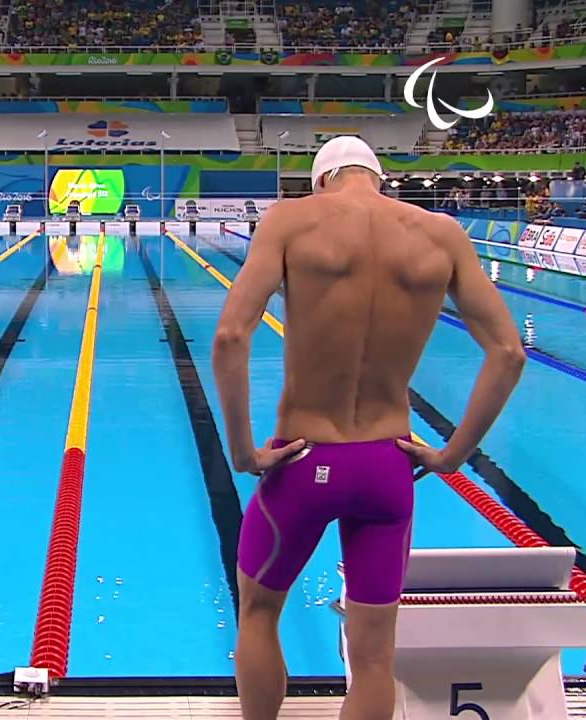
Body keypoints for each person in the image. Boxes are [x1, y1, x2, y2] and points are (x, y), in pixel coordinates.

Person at [213, 136, 525, 720]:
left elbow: (231, 336)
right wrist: (452, 455)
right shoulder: (442, 235)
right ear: (379, 177)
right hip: (386, 463)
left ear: (320, 179)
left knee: (258, 613)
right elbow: (508, 351)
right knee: (375, 654)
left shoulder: (291, 221)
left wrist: (243, 451)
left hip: (303, 458)